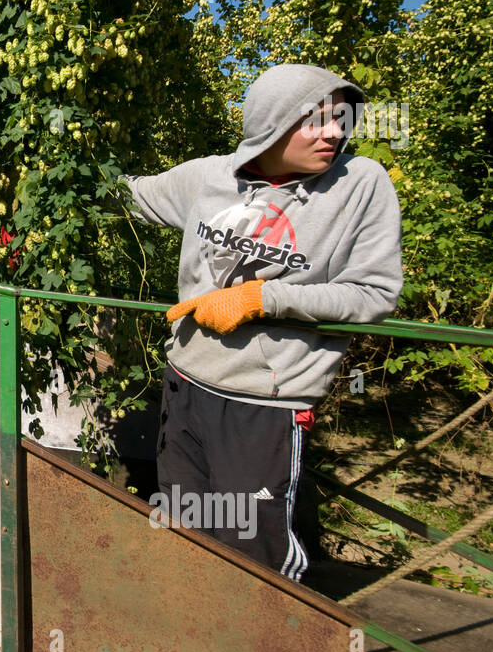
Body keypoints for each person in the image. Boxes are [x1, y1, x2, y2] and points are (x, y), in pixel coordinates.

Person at [119, 64, 403, 580]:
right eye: (316, 119)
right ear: (272, 122)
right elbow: (126, 195)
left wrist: (262, 299)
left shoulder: (359, 186)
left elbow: (374, 294)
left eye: (341, 118)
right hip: (185, 385)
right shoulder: (210, 177)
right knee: (186, 531)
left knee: (254, 550)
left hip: (265, 402)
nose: (335, 131)